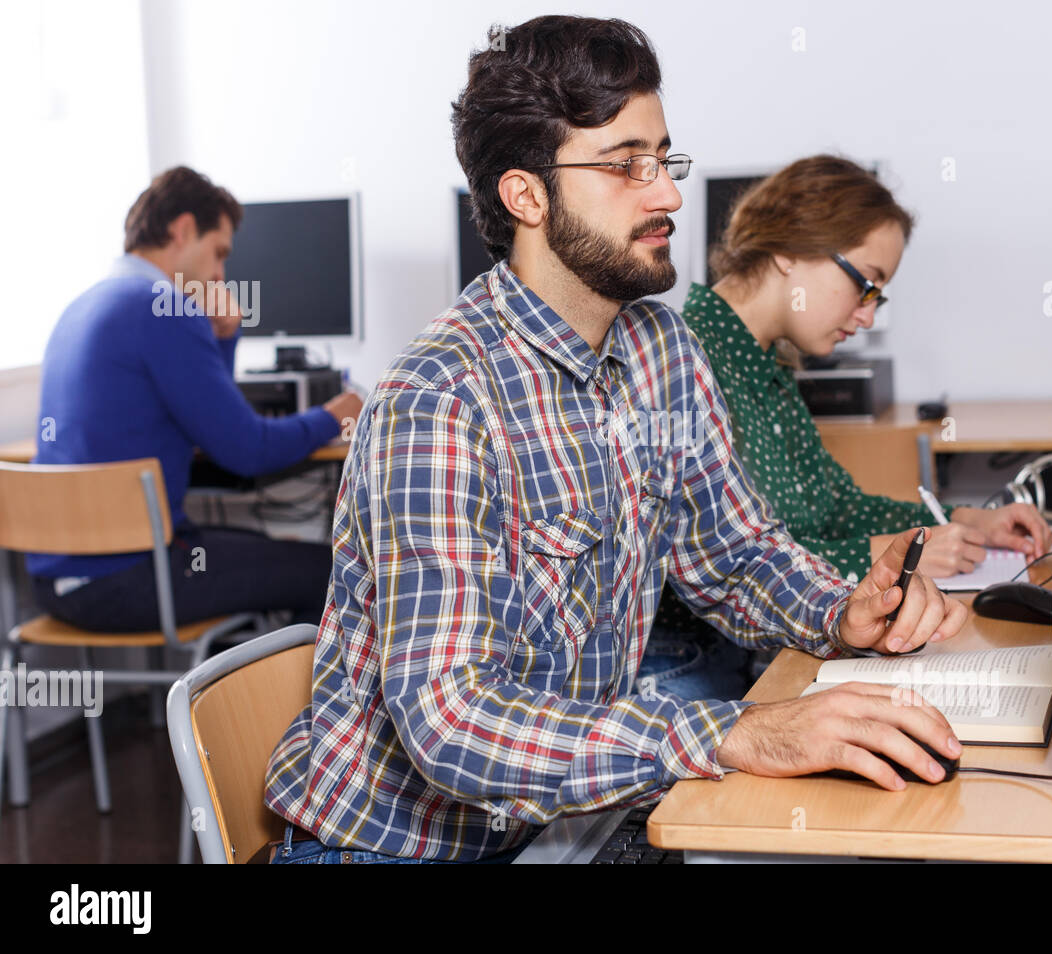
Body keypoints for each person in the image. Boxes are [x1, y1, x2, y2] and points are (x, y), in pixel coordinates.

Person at [263, 15, 967, 866]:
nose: (667, 193)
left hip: (568, 818)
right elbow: (450, 723)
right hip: (406, 849)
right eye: (625, 165)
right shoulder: (441, 400)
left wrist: (842, 613)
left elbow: (735, 552)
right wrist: (734, 733)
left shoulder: (659, 348)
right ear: (528, 196)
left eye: (663, 159)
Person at [644, 156, 1052, 701]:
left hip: (756, 654)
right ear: (790, 248)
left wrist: (962, 521)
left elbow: (835, 505)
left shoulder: (763, 361)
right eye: (866, 284)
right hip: (686, 668)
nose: (866, 316)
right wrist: (876, 556)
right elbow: (692, 570)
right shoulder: (683, 357)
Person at [28, 166, 363, 631]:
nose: (221, 274)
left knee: (244, 547)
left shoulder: (84, 305)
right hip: (128, 580)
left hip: (58, 582)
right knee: (334, 571)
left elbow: (207, 416)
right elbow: (248, 450)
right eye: (219, 253)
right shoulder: (161, 306)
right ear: (183, 230)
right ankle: (288, 705)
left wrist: (222, 337)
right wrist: (334, 414)